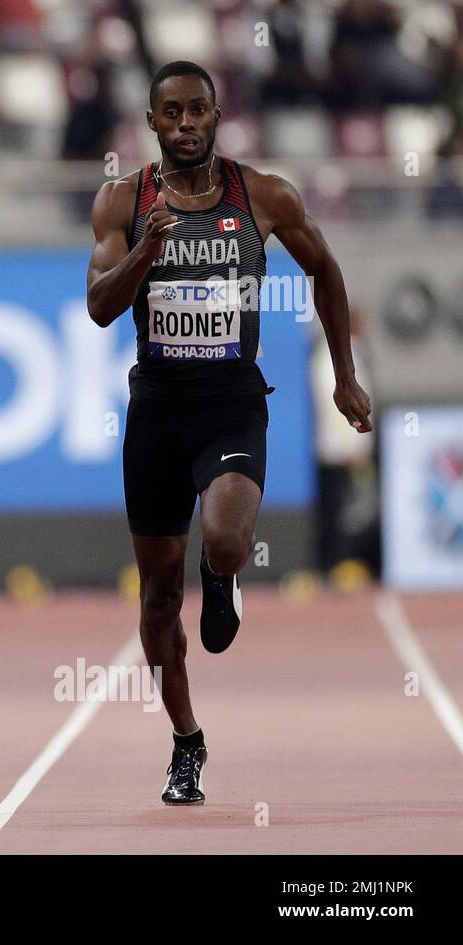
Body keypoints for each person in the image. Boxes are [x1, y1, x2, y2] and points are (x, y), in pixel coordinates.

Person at [85, 62, 372, 804]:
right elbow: (97, 305)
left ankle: (222, 576)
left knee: (225, 538)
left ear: (219, 116)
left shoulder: (264, 196)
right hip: (157, 406)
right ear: (150, 122)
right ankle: (186, 741)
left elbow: (326, 270)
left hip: (231, 399)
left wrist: (342, 373)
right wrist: (146, 252)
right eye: (171, 112)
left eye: (198, 111)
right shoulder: (123, 201)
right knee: (154, 600)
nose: (185, 124)